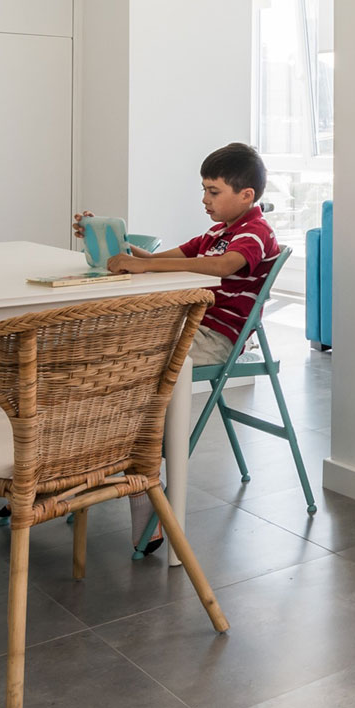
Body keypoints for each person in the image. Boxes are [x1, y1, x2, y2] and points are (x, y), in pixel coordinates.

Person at [73, 143, 283, 550]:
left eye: (213, 191)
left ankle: (139, 489)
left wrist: (147, 264)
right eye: (203, 189)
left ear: (246, 196)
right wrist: (109, 243)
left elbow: (224, 266)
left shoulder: (255, 233)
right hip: (187, 328)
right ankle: (89, 469)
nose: (204, 199)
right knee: (104, 360)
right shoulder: (216, 233)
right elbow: (158, 258)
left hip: (216, 340)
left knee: (131, 379)